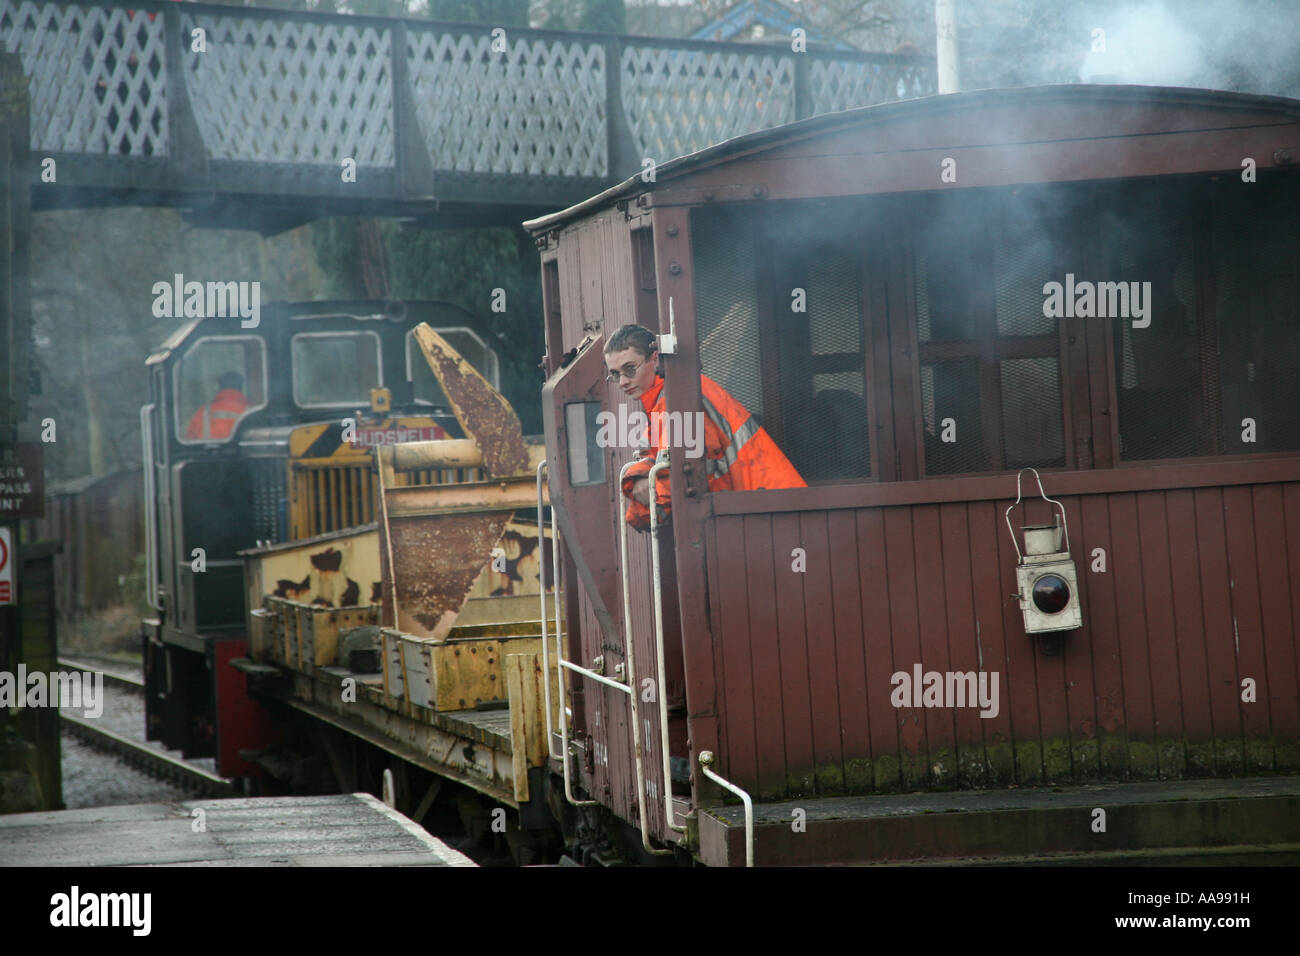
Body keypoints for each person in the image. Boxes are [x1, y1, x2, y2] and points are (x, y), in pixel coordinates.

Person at [605, 324, 805, 531]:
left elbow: (689, 477)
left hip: (776, 514)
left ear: (654, 359)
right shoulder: (670, 398)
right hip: (771, 509)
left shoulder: (678, 399)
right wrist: (638, 480)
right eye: (615, 374)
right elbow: (655, 459)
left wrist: (639, 498)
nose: (623, 382)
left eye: (629, 369)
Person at [185, 371, 248, 441]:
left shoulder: (203, 412)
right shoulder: (250, 412)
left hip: (208, 451)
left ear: (219, 388)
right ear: (241, 388)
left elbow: (190, 439)